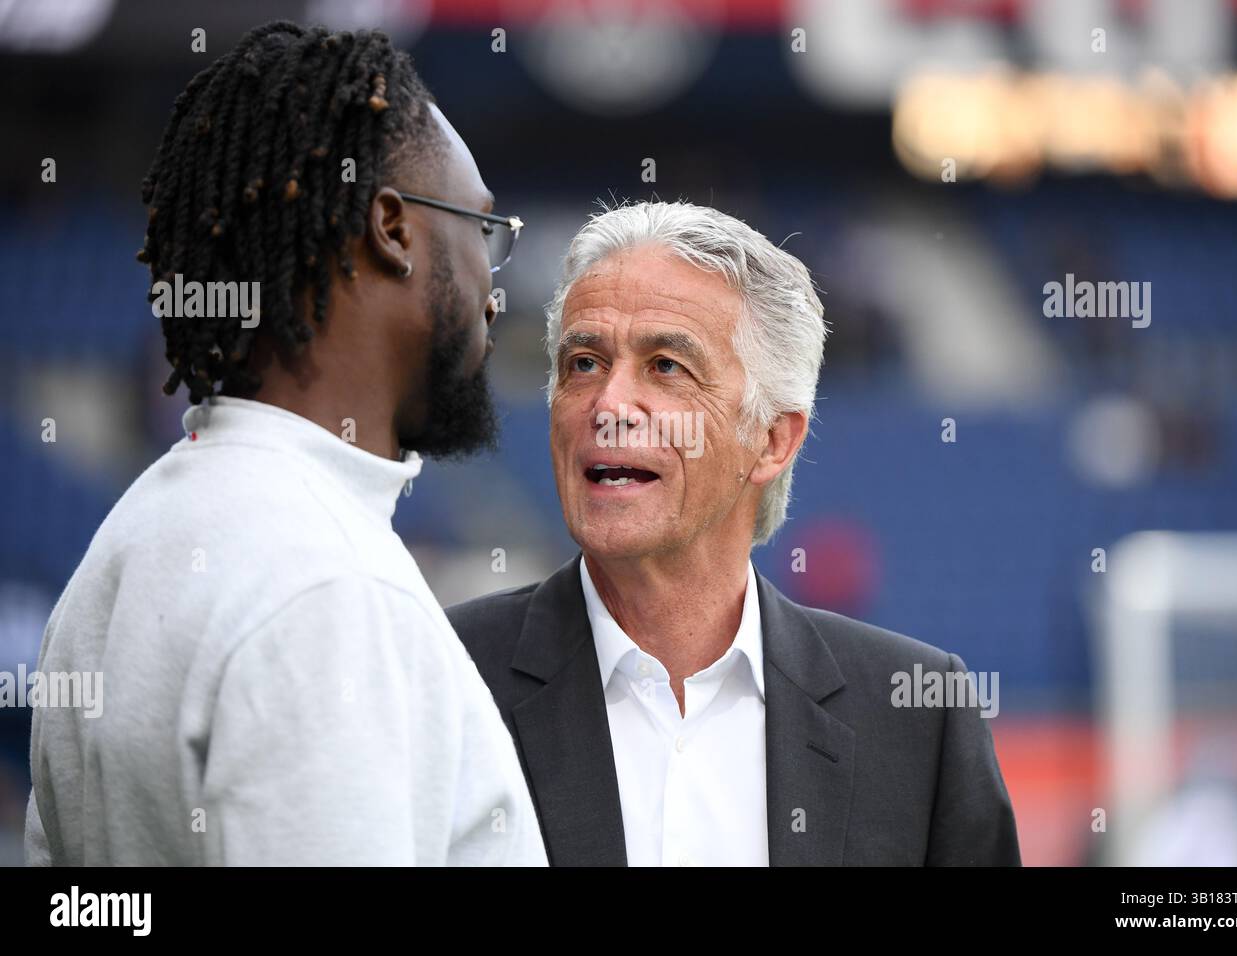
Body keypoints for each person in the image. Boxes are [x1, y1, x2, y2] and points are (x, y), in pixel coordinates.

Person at [25, 21, 545, 866]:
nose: (495, 290)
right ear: (392, 229)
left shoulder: (118, 554)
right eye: (482, 231)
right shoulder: (328, 587)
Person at [447, 201, 1020, 866]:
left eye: (665, 366)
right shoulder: (445, 677)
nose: (607, 405)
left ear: (773, 440)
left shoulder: (920, 718)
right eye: (583, 363)